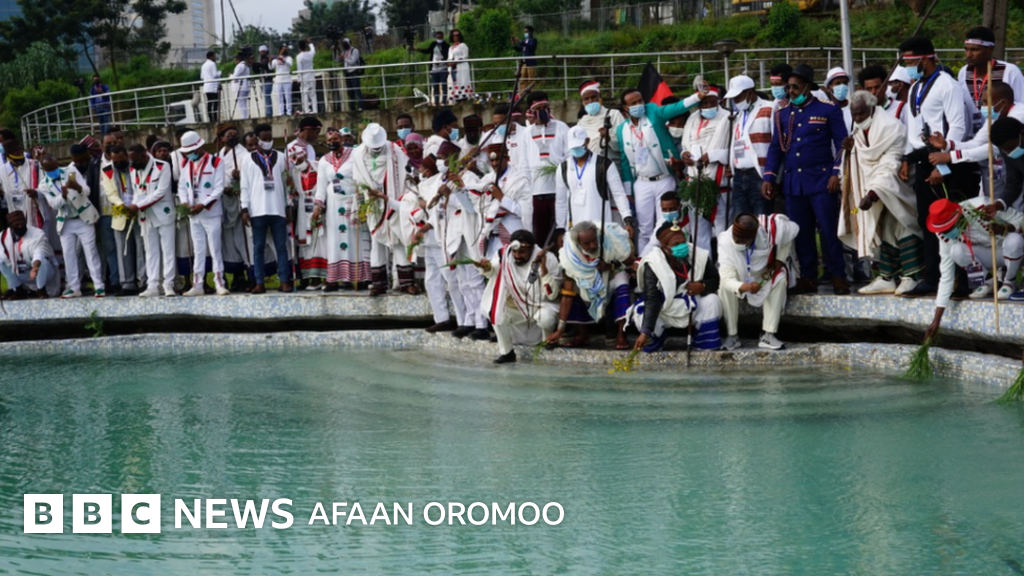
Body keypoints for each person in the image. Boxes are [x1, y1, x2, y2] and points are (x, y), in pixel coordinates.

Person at [897, 37, 980, 297]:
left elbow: (958, 126)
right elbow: (914, 127)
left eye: (910, 61)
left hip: (948, 159)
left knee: (956, 219)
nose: (907, 66)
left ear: (925, 58)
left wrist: (942, 165)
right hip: (924, 158)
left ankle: (965, 280)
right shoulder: (914, 88)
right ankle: (932, 277)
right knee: (928, 220)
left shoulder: (948, 85)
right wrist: (908, 158)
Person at [762, 63, 851, 295]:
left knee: (829, 231)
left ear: (808, 87)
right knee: (801, 232)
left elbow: (843, 145)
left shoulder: (828, 110)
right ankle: (808, 276)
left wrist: (836, 173)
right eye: (788, 87)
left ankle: (837, 275)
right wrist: (769, 177)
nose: (790, 91)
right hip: (794, 183)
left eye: (795, 87)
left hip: (821, 179)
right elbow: (775, 148)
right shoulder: (782, 114)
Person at [838, 91, 924, 296]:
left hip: (895, 188)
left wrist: (875, 191)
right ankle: (886, 277)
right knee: (883, 228)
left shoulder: (892, 128)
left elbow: (892, 162)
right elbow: (860, 162)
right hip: (871, 190)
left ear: (872, 109)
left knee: (904, 226)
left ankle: (911, 276)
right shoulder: (858, 129)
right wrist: (849, 152)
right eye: (854, 114)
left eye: (861, 113)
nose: (857, 118)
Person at [924, 197, 1024, 342]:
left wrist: (1005, 228)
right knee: (956, 251)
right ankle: (988, 281)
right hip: (989, 257)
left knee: (1014, 241)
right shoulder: (943, 234)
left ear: (958, 218)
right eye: (942, 230)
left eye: (948, 229)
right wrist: (936, 320)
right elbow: (946, 275)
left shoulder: (981, 206)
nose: (946, 233)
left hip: (1010, 250)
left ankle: (1010, 280)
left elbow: (1021, 219)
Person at [617, 86, 701, 255]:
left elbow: (676, 108)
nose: (639, 104)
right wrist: (628, 190)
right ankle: (644, 265)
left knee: (664, 224)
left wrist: (697, 96)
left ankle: (650, 259)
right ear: (626, 108)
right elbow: (625, 162)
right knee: (644, 228)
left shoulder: (653, 112)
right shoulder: (622, 129)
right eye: (633, 103)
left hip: (664, 178)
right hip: (642, 182)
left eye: (640, 100)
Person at [628, 223, 722, 353]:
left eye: (683, 242)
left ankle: (704, 344)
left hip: (690, 305)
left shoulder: (698, 255)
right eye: (676, 244)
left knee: (712, 300)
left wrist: (703, 286)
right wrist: (645, 332)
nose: (682, 247)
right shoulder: (653, 264)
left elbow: (715, 280)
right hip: (664, 308)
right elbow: (652, 298)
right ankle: (656, 340)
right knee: (641, 314)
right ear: (665, 247)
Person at [718, 213, 800, 350]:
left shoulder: (770, 229)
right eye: (736, 238)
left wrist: (780, 259)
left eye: (742, 240)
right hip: (740, 277)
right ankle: (732, 335)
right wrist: (744, 286)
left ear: (753, 235)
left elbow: (789, 233)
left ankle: (768, 335)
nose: (737, 241)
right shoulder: (725, 241)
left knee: (780, 279)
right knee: (724, 287)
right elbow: (727, 278)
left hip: (764, 273)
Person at [478, 229, 562, 364]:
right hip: (517, 305)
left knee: (545, 318)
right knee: (496, 312)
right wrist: (486, 267)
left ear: (532, 249)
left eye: (522, 252)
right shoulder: (504, 255)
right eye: (515, 252)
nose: (517, 255)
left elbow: (552, 295)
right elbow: (492, 269)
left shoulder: (549, 259)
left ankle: (547, 341)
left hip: (541, 304)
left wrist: (543, 268)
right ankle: (507, 352)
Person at [546, 220, 633, 349]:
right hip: (588, 285)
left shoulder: (608, 237)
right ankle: (582, 335)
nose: (592, 245)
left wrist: (610, 265)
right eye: (586, 243)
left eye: (594, 240)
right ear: (578, 244)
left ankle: (621, 334)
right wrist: (560, 330)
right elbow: (567, 295)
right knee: (575, 286)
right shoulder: (570, 256)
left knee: (622, 282)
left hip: (611, 276)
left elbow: (629, 259)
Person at [352, 123, 410, 296]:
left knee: (398, 238)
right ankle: (378, 283)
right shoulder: (357, 154)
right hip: (373, 202)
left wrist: (394, 197)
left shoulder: (396, 151)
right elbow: (357, 177)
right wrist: (366, 192)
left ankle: (405, 282)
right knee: (376, 241)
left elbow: (405, 174)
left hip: (392, 199)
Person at [312, 128, 371, 291]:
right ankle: (335, 279)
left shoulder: (354, 154)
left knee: (354, 238)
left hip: (352, 202)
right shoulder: (324, 160)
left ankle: (360, 277)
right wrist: (318, 206)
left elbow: (362, 177)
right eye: (329, 140)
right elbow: (321, 185)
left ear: (342, 139)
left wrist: (362, 200)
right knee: (335, 241)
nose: (332, 143)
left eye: (335, 139)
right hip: (333, 205)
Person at [38, 154, 104, 298]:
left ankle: (99, 286)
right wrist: (62, 196)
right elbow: (53, 205)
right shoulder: (43, 185)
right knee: (69, 255)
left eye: (55, 167)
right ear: (44, 170)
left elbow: (87, 191)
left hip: (83, 218)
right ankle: (74, 288)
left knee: (91, 252)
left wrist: (78, 187)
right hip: (65, 222)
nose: (55, 171)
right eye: (50, 169)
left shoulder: (70, 171)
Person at [241, 124, 293, 294]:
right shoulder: (247, 159)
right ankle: (259, 282)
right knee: (258, 247)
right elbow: (244, 186)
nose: (267, 141)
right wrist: (244, 208)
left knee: (281, 246)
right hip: (257, 210)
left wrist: (289, 205)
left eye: (269, 138)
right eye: (264, 139)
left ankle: (285, 281)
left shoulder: (281, 156)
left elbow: (287, 185)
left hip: (278, 208)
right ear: (257, 139)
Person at [555, 125, 635, 236]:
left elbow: (619, 194)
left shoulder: (604, 164)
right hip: (575, 228)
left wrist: (627, 219)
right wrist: (560, 228)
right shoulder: (563, 168)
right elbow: (561, 201)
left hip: (601, 226)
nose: (576, 150)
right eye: (573, 147)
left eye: (579, 146)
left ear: (587, 141)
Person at [177, 131, 229, 296]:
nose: (186, 155)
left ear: (198, 148)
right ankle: (197, 285)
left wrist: (203, 204)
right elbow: (182, 187)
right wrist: (185, 202)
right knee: (198, 250)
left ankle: (219, 283)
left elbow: (218, 189)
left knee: (215, 249)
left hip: (211, 213)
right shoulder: (186, 165)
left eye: (188, 152)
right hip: (194, 214)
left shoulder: (216, 162)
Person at [679, 86, 730, 245]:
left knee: (723, 229)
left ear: (719, 101)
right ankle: (704, 266)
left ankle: (724, 267)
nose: (708, 106)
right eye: (704, 103)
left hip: (718, 180)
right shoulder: (692, 118)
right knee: (698, 230)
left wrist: (713, 155)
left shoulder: (728, 117)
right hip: (694, 180)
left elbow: (736, 148)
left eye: (711, 102)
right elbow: (685, 144)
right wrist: (684, 154)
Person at [410, 155, 456, 331]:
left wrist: (424, 206)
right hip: (428, 239)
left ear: (428, 170)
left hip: (440, 236)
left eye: (421, 168)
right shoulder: (422, 185)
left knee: (450, 278)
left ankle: (466, 319)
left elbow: (435, 208)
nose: (420, 172)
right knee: (431, 281)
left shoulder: (439, 181)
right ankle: (442, 318)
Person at [126, 144, 176, 298]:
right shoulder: (134, 168)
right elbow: (137, 191)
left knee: (168, 250)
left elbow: (160, 192)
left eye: (135, 159)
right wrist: (132, 207)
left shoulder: (163, 166)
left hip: (163, 212)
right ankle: (152, 285)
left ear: (144, 155)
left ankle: (168, 284)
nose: (132, 163)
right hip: (145, 215)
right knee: (150, 251)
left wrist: (137, 205)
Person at [723, 74, 775, 219]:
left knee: (762, 221)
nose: (734, 101)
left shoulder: (769, 108)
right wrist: (733, 165)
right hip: (740, 175)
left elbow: (776, 145)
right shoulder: (739, 115)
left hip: (759, 175)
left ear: (750, 93)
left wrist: (772, 177)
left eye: (738, 97)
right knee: (740, 222)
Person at [958, 26, 1024, 133]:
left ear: (990, 49)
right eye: (966, 49)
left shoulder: (1009, 71)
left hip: (1003, 137)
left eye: (975, 50)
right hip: (972, 137)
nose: (968, 55)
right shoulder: (964, 72)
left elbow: (1021, 105)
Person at [523, 92, 569, 242]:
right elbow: (524, 163)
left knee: (561, 232)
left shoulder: (562, 127)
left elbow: (569, 156)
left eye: (545, 107)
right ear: (531, 111)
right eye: (538, 108)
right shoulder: (526, 133)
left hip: (559, 190)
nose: (543, 111)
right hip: (536, 192)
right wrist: (527, 192)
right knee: (540, 234)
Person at [102, 145, 145, 296]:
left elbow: (142, 187)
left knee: (141, 247)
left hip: (139, 210)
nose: (118, 164)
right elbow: (110, 193)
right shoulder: (107, 170)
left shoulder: (136, 167)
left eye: (121, 160)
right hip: (121, 213)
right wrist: (122, 206)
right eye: (115, 161)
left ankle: (143, 281)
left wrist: (136, 204)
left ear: (127, 156)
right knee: (123, 250)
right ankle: (127, 283)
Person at [476, 145, 530, 258]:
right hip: (490, 238)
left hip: (511, 236)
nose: (495, 164)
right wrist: (460, 189)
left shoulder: (519, 179)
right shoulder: (486, 180)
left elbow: (524, 211)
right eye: (492, 160)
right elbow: (477, 207)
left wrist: (502, 198)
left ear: (507, 158)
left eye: (498, 159)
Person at [0, 211, 59, 299]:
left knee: (42, 260)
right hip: (22, 271)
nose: (20, 227)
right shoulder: (3, 237)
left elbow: (39, 253)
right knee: (2, 262)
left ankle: (41, 290)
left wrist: (35, 268)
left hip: (43, 272)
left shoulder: (37, 233)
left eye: (22, 224)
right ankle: (18, 290)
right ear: (11, 227)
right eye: (17, 226)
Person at [576, 80, 625, 162]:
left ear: (599, 97)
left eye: (593, 97)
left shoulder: (614, 115)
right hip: (588, 165)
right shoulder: (581, 122)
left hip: (610, 164)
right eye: (586, 99)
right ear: (583, 102)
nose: (590, 101)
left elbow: (624, 144)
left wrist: (608, 138)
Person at [420, 31, 449, 106]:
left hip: (443, 68)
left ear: (442, 35)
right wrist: (417, 49)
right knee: (435, 86)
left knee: (443, 85)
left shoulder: (446, 45)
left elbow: (447, 56)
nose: (438, 36)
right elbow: (427, 50)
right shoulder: (433, 44)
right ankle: (436, 102)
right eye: (437, 35)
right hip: (434, 68)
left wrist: (441, 61)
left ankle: (444, 101)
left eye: (440, 35)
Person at [447, 29, 473, 103]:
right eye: (454, 36)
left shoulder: (463, 45)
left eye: (457, 36)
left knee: (462, 81)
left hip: (462, 66)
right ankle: (456, 97)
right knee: (454, 82)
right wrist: (449, 63)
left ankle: (463, 98)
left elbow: (465, 56)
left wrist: (456, 62)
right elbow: (449, 58)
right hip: (453, 68)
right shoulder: (450, 48)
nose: (455, 37)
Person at [513, 26, 538, 95]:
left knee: (531, 79)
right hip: (524, 62)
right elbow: (519, 48)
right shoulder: (524, 41)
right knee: (522, 79)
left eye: (526, 32)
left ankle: (532, 94)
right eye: (524, 32)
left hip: (531, 63)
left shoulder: (533, 40)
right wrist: (514, 44)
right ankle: (522, 94)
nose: (525, 33)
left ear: (530, 32)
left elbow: (531, 47)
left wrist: (520, 41)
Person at [296, 39, 318, 114]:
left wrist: (299, 79)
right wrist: (310, 43)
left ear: (299, 47)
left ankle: (306, 110)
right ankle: (315, 110)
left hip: (304, 76)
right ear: (305, 46)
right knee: (313, 94)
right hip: (311, 75)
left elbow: (299, 69)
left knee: (304, 93)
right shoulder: (310, 54)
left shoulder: (299, 57)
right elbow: (313, 50)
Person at [252, 45, 274, 117]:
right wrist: (253, 64)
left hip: (267, 80)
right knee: (266, 97)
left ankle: (269, 113)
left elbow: (264, 65)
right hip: (262, 81)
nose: (262, 53)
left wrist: (254, 63)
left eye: (263, 51)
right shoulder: (259, 60)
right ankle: (267, 112)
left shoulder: (268, 59)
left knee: (267, 96)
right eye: (261, 51)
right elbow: (256, 71)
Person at [341, 38, 362, 112]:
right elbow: (339, 60)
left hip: (354, 72)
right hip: (347, 73)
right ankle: (352, 107)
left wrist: (344, 59)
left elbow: (353, 62)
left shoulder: (354, 51)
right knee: (350, 91)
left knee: (357, 90)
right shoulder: (344, 51)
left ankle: (360, 106)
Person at [272, 45, 294, 116]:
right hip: (278, 81)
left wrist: (283, 60)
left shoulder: (289, 58)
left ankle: (289, 112)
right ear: (280, 50)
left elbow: (290, 65)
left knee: (288, 97)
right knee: (280, 98)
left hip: (287, 80)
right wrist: (270, 61)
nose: (284, 51)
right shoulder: (276, 59)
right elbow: (271, 67)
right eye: (283, 49)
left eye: (285, 49)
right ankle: (281, 112)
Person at [201, 51, 222, 123]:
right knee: (215, 102)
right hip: (213, 86)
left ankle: (210, 119)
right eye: (214, 56)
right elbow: (215, 75)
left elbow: (202, 76)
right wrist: (220, 73)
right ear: (211, 56)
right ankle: (215, 117)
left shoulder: (203, 65)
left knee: (209, 103)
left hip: (206, 86)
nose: (215, 57)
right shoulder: (212, 64)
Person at [230, 52, 251, 120]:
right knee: (244, 103)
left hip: (241, 87)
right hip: (246, 86)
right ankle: (245, 116)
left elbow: (235, 76)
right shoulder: (246, 65)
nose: (235, 62)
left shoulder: (240, 66)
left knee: (241, 104)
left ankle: (244, 117)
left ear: (238, 59)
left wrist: (230, 76)